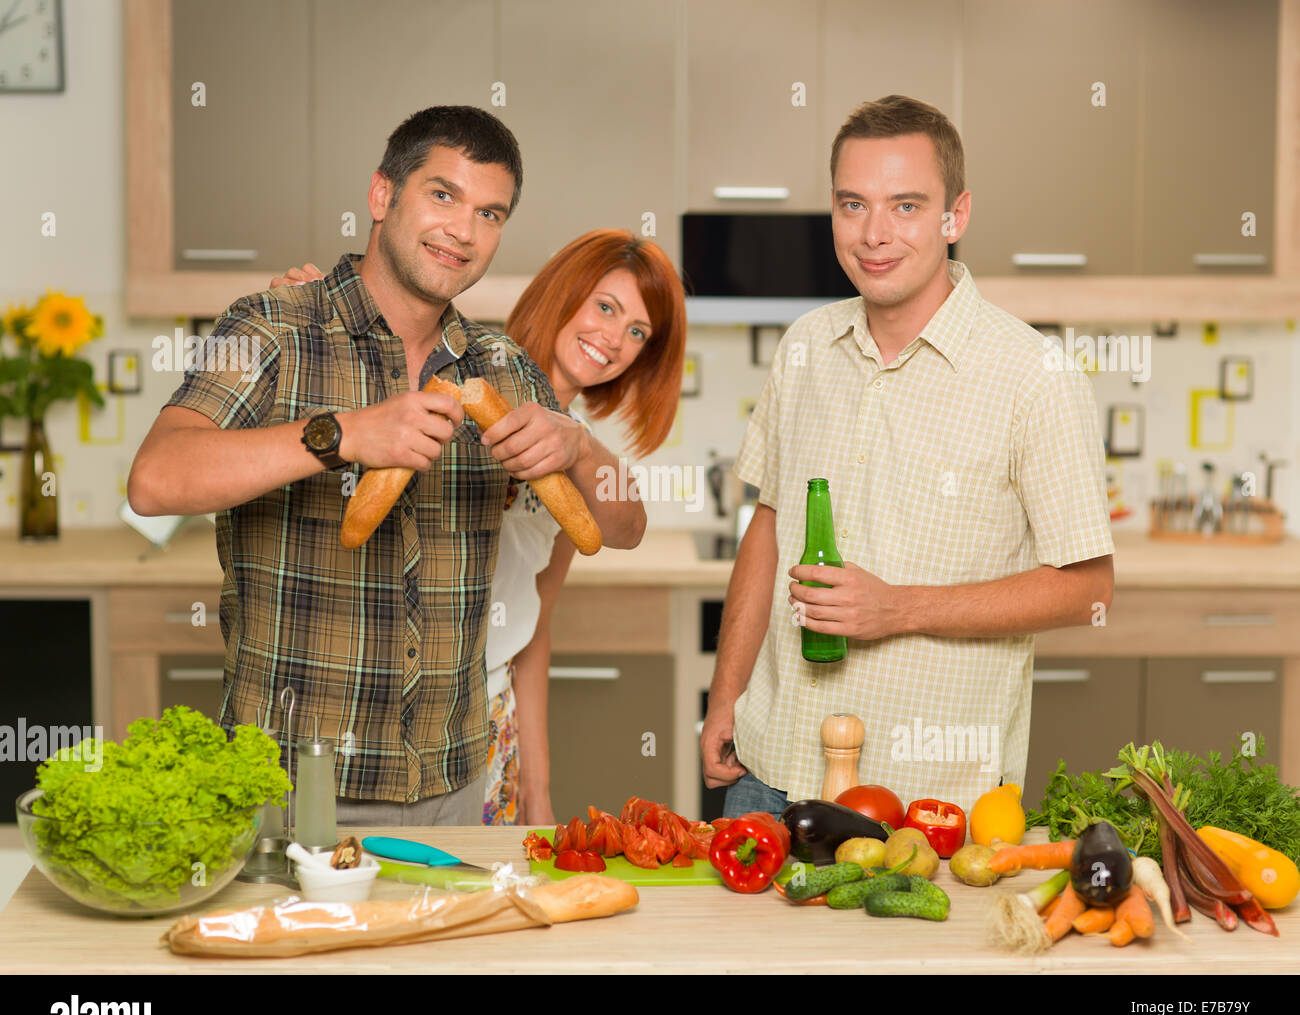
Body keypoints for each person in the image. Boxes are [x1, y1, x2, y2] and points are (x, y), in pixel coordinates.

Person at [127, 106, 646, 828]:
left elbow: (623, 526)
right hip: (290, 787)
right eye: (443, 195)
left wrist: (582, 448)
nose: (463, 231)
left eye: (489, 213)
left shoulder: (500, 367)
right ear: (381, 196)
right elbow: (155, 478)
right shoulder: (268, 325)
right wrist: (339, 434)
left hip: (453, 792)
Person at [700, 95, 1115, 819]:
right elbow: (767, 525)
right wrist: (725, 694)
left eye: (906, 206)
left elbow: (1090, 589)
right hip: (768, 769)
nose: (874, 234)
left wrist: (898, 607)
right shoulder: (803, 347)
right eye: (852, 204)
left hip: (928, 802)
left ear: (956, 215)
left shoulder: (1032, 374)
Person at [272, 230, 687, 825]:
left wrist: (539, 790)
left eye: (638, 332)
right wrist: (310, 322)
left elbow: (535, 620)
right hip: (380, 708)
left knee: (471, 910)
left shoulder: (575, 452)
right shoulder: (450, 371)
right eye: (605, 306)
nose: (613, 340)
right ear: (563, 292)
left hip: (489, 721)